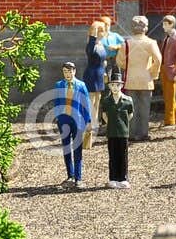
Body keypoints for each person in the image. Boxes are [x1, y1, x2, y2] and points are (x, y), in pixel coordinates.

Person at [119, 16, 162, 142]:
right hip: (146, 79)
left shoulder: (126, 43)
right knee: (144, 108)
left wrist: (128, 67)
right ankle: (143, 133)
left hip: (130, 79)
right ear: (146, 28)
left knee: (131, 108)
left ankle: (132, 133)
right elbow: (158, 59)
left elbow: (120, 61)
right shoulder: (150, 43)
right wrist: (153, 73)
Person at [51, 61, 92, 188]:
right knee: (66, 148)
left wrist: (88, 120)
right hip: (64, 120)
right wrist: (57, 117)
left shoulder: (81, 85)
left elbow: (86, 103)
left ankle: (78, 178)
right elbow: (57, 102)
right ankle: (70, 175)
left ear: (74, 71)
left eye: (69, 71)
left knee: (77, 149)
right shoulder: (59, 85)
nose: (67, 74)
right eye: (65, 72)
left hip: (77, 120)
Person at [97, 74, 134, 189]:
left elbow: (130, 114)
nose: (114, 87)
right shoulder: (107, 101)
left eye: (117, 85)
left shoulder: (128, 100)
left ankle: (123, 178)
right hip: (111, 131)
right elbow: (104, 114)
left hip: (123, 132)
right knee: (112, 155)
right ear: (109, 86)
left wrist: (123, 123)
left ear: (121, 86)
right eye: (112, 85)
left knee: (123, 155)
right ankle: (113, 178)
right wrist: (110, 122)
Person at [82, 19, 109, 147]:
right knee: (90, 105)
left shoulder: (101, 45)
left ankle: (93, 133)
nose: (104, 33)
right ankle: (86, 135)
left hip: (99, 76)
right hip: (91, 76)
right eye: (102, 31)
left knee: (97, 105)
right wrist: (94, 31)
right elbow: (91, 50)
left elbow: (102, 61)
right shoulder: (91, 45)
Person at [159, 15, 176, 129]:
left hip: (171, 70)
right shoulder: (167, 37)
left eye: (165, 24)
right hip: (164, 68)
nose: (163, 26)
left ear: (171, 24)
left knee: (170, 96)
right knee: (167, 95)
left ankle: (169, 120)